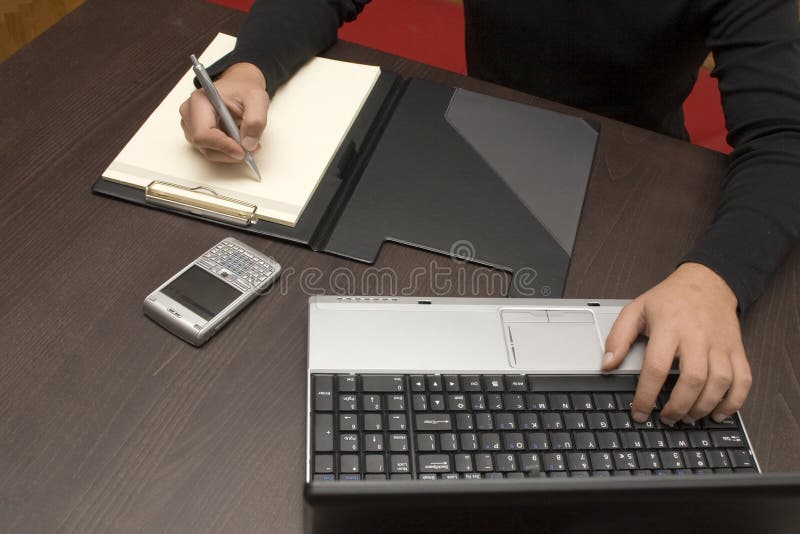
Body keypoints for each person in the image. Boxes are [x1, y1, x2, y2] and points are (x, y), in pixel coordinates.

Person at [179, 1, 800, 427]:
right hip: (476, 145)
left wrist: (716, 279)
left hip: (630, 188)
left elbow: (785, 136)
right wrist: (250, 66)